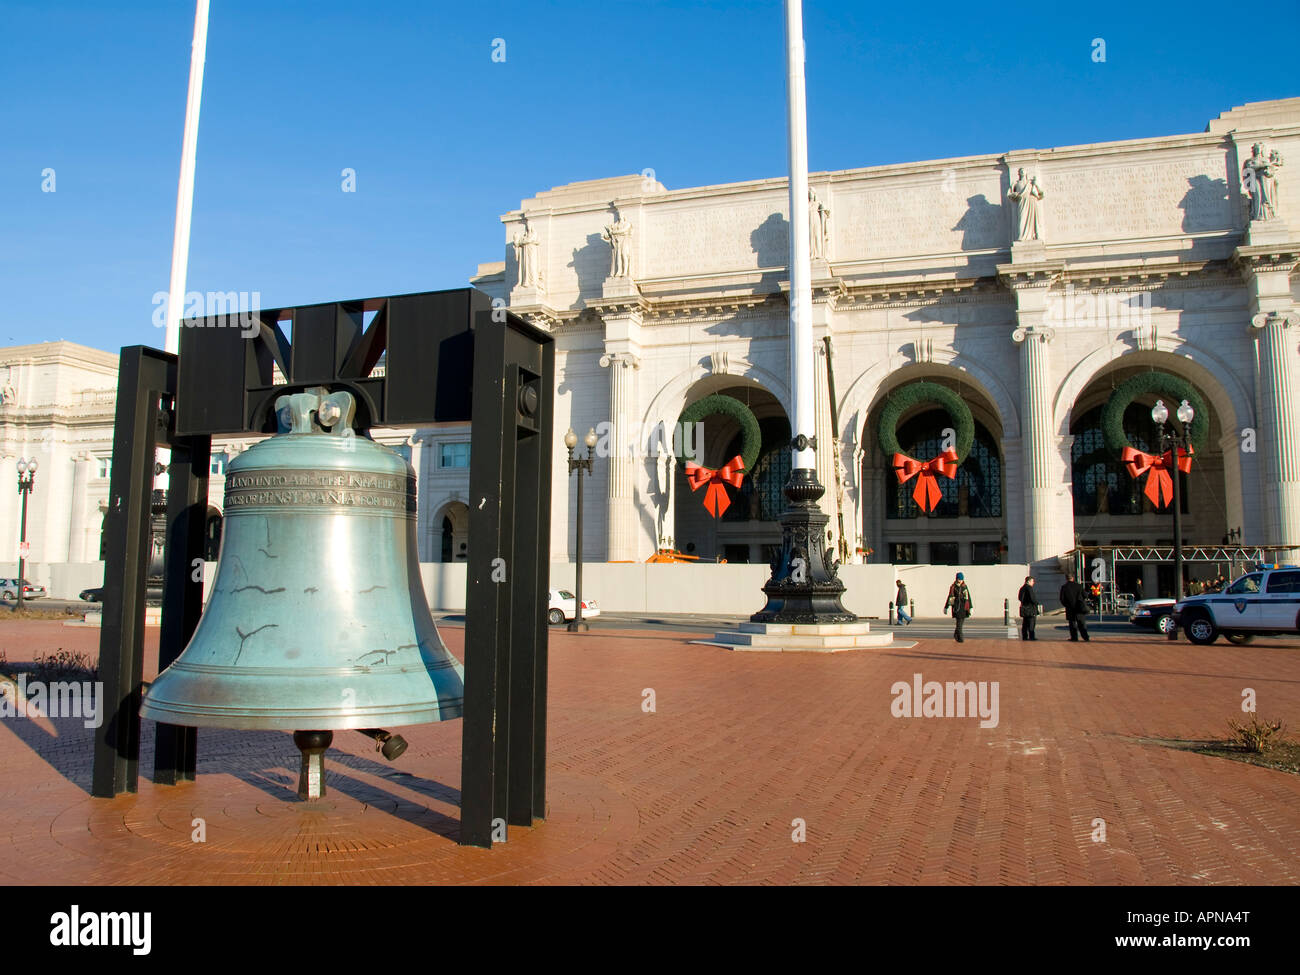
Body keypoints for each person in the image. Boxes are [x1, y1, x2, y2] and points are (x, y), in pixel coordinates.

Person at [1060, 572, 1090, 642]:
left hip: (1070, 608)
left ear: (1066, 579)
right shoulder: (1079, 586)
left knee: (1072, 623)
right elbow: (1085, 595)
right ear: (1073, 578)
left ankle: (1074, 637)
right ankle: (1085, 637)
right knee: (1082, 623)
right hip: (1079, 607)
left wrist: (1067, 605)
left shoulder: (1064, 587)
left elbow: (1062, 599)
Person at [944, 572, 973, 643]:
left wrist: (971, 607)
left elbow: (968, 597)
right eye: (959, 579)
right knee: (959, 623)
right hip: (956, 608)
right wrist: (946, 607)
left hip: (964, 608)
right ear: (956, 579)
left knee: (960, 623)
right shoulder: (953, 587)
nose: (960, 581)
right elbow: (950, 597)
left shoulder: (964, 586)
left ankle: (956, 634)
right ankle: (960, 638)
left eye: (961, 579)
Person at [1017, 575, 1039, 640]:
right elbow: (1032, 598)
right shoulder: (1029, 588)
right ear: (1029, 581)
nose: (1033, 582)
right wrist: (1036, 603)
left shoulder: (1022, 588)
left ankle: (1025, 636)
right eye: (1032, 581)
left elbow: (1020, 598)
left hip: (1024, 607)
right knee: (1031, 623)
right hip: (1031, 608)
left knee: (1025, 623)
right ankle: (1031, 636)